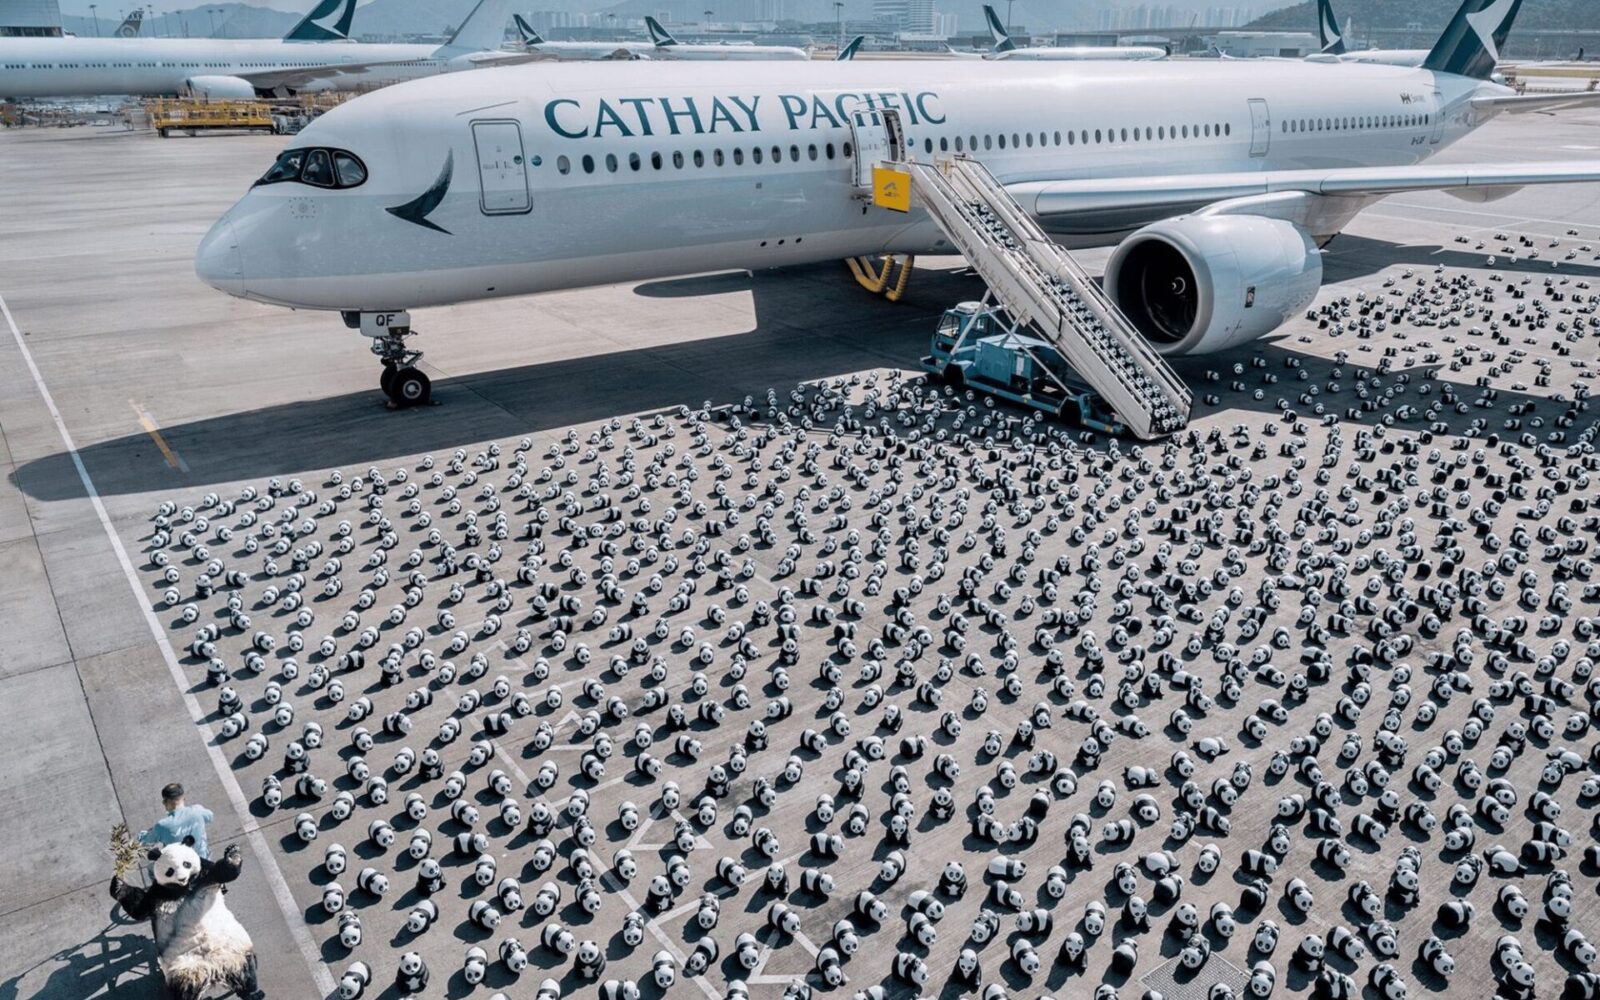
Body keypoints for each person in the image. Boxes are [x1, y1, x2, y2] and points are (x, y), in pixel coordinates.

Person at [139, 783, 214, 860]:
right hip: (204, 861)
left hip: (180, 868)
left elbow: (144, 842)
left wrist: (145, 833)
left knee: (152, 868)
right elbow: (210, 817)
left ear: (164, 802)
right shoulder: (197, 810)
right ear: (184, 798)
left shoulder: (162, 826)